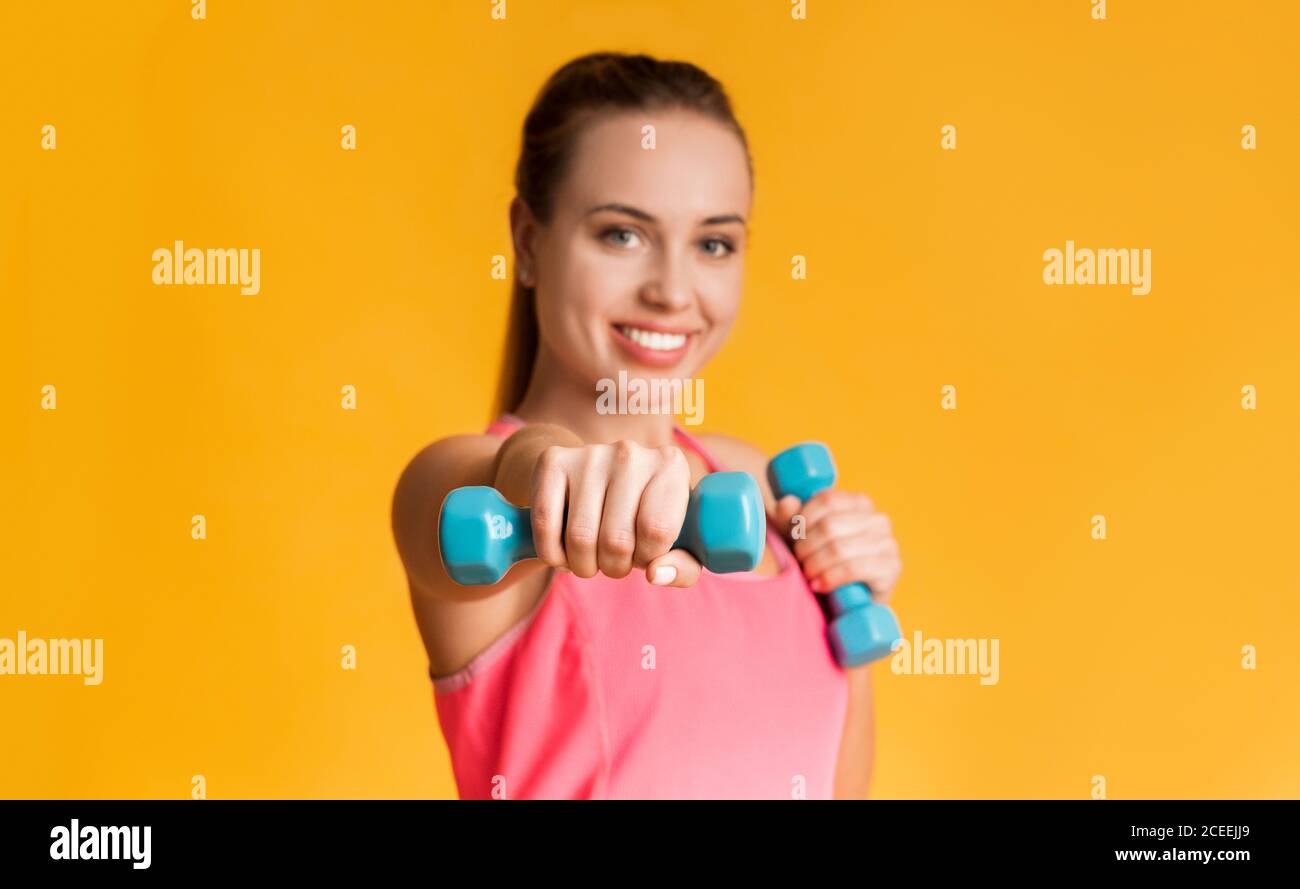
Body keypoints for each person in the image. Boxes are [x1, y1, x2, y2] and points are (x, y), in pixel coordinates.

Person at [391, 51, 902, 799]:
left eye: (713, 243)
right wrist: (553, 472)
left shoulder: (761, 489)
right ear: (529, 241)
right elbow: (467, 496)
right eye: (623, 235)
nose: (671, 290)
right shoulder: (471, 489)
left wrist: (851, 596)